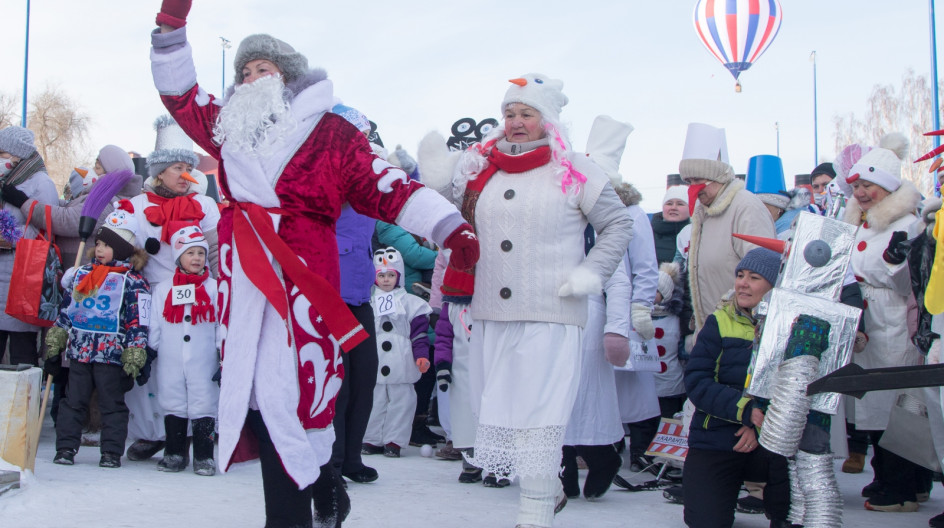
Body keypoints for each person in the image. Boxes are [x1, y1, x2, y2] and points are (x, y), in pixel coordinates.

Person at [151, 4, 477, 527]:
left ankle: (300, 507)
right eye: (243, 72)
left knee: (300, 393)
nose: (251, 79)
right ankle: (320, 491)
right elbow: (182, 96)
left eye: (263, 69)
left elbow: (385, 184)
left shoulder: (331, 133)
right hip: (243, 285)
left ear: (289, 77)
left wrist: (448, 227)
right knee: (260, 394)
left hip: (303, 282)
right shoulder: (230, 127)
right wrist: (171, 28)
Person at [419, 74, 632, 528]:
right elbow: (445, 217)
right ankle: (549, 488)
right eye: (509, 113)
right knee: (500, 412)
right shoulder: (480, 168)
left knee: (540, 413)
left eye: (526, 113)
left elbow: (618, 225)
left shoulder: (574, 168)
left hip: (551, 310)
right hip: (490, 311)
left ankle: (534, 511)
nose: (515, 122)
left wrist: (591, 272)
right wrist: (436, 180)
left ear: (547, 120)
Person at [841, 133, 930, 512]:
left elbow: (913, 284)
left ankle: (903, 486)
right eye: (856, 186)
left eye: (868, 186)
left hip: (893, 322)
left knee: (898, 406)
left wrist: (896, 263)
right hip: (868, 323)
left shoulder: (909, 224)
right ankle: (891, 477)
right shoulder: (860, 223)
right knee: (875, 405)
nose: (860, 193)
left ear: (889, 187)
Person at [124, 115, 221, 463]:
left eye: (189, 168)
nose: (186, 175)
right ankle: (153, 434)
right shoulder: (136, 206)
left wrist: (220, 289)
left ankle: (198, 435)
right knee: (154, 373)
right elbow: (122, 251)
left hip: (200, 299)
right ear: (160, 171)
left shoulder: (204, 205)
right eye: (178, 167)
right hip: (154, 297)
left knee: (197, 370)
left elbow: (215, 252)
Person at [683, 248, 791, 528]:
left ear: (774, 286)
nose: (743, 283)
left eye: (754, 278)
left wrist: (758, 423)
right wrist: (745, 412)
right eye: (740, 275)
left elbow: (795, 386)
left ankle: (782, 513)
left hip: (772, 437)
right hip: (718, 434)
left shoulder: (790, 326)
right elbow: (697, 381)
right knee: (706, 522)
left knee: (794, 507)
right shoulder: (719, 321)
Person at [45, 202, 150, 468]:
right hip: (80, 351)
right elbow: (69, 308)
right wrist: (57, 340)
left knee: (112, 404)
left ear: (123, 249)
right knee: (73, 401)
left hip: (111, 355)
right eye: (99, 244)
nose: (100, 249)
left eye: (107, 245)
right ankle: (65, 448)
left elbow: (137, 320)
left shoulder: (132, 281)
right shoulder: (83, 274)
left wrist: (135, 353)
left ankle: (111, 452)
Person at [680, 124, 775, 332]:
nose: (693, 188)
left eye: (698, 180)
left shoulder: (746, 208)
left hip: (739, 333)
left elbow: (763, 271)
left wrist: (727, 316)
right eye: (688, 181)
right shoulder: (702, 213)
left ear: (717, 177)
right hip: (712, 333)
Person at [330, 104, 381, 485]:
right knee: (339, 385)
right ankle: (330, 462)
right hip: (329, 295)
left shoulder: (368, 177)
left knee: (364, 380)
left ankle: (352, 457)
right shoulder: (324, 173)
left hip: (361, 295)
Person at [150, 224, 220, 475]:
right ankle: (174, 453)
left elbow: (222, 325)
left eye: (201, 253)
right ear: (178, 257)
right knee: (173, 401)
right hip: (171, 359)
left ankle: (204, 455)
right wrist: (150, 350)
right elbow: (155, 322)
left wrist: (223, 354)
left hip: (203, 360)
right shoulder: (163, 289)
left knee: (204, 402)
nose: (196, 258)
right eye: (190, 253)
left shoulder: (214, 289)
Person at [1, 144, 142, 268]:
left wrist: (24, 203)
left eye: (97, 168)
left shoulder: (108, 203)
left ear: (111, 174)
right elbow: (69, 207)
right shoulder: (101, 196)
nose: (92, 171)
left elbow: (66, 220)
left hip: (82, 272)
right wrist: (43, 198)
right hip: (72, 268)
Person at [361, 247, 432, 458]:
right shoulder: (367, 302)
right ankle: (371, 439)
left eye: (391, 275)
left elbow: (419, 335)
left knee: (402, 403)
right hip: (375, 362)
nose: (386, 280)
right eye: (381, 275)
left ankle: (395, 441)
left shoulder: (411, 304)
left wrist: (422, 355)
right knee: (374, 402)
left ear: (399, 276)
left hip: (402, 363)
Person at [0, 126, 59, 365]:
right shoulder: (3, 180)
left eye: (2, 153)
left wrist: (11, 238)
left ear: (17, 154)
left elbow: (48, 225)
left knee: (21, 350)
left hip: (23, 276)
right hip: (2, 272)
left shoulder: (40, 182)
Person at [652, 185, 690, 264]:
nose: (673, 207)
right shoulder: (648, 233)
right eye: (669, 203)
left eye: (680, 204)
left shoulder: (695, 233)